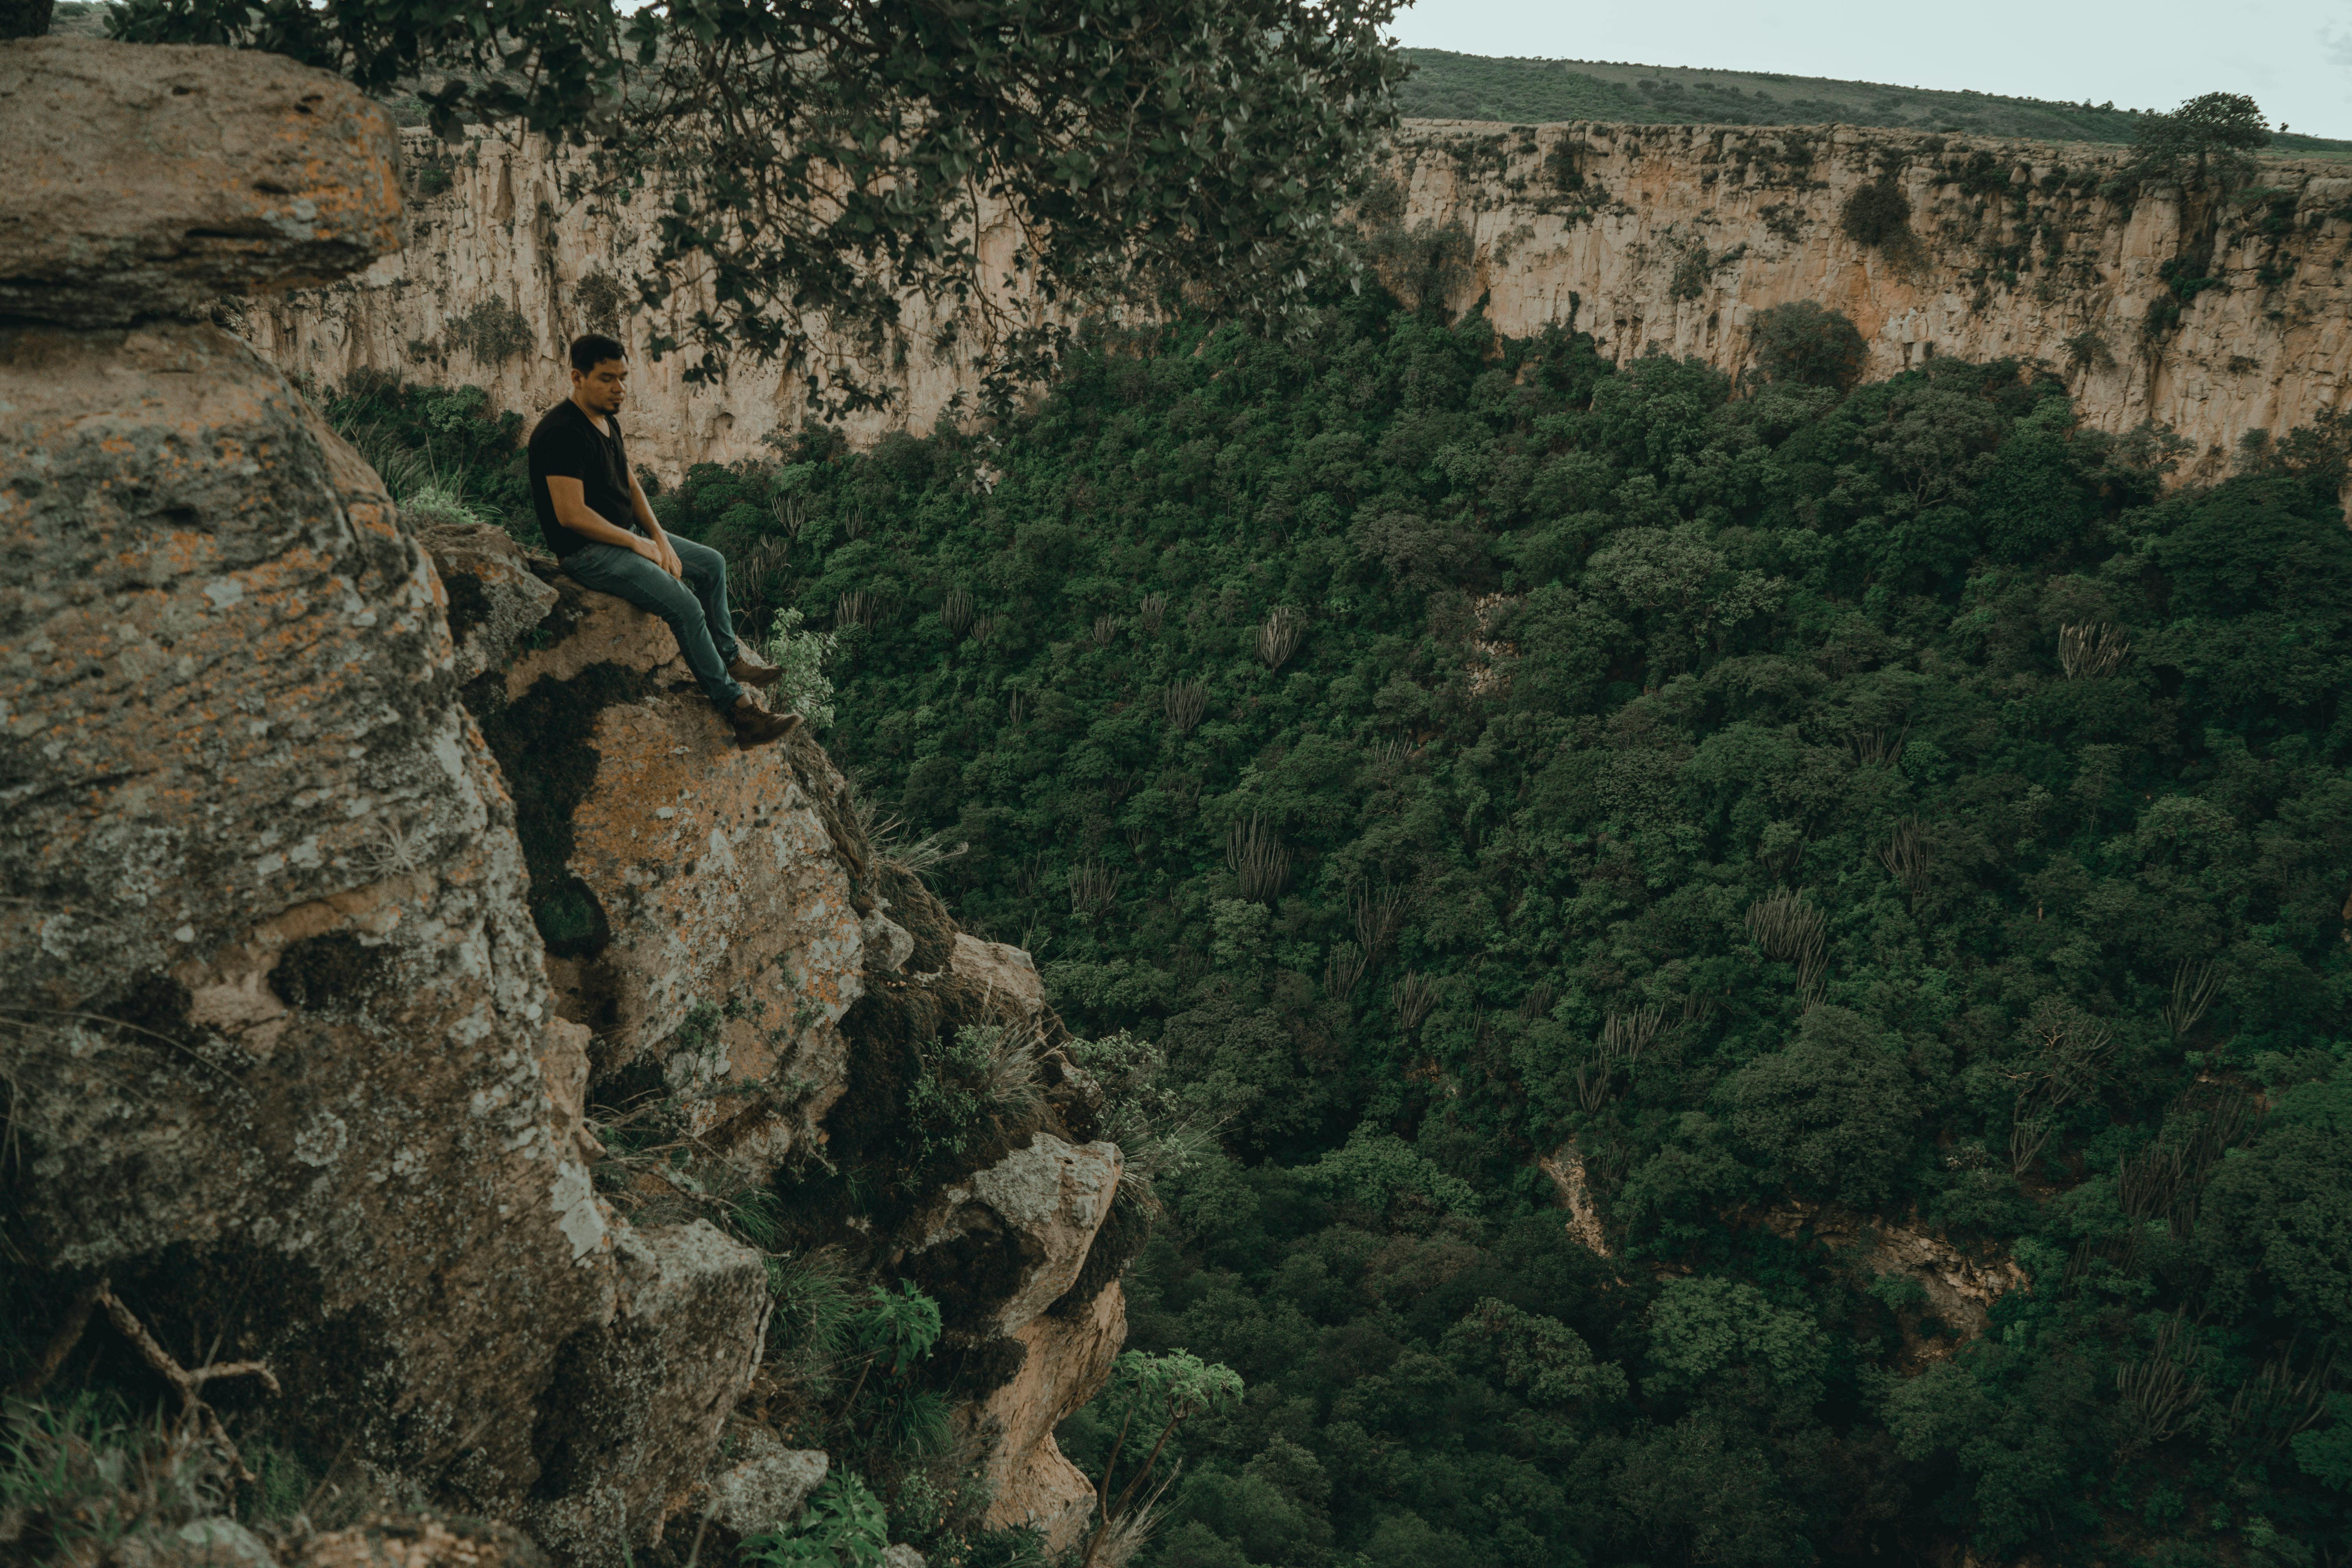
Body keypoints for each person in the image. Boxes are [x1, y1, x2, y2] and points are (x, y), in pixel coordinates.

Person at [526, 333, 799, 746]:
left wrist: (658, 537)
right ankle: (742, 715)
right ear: (577, 378)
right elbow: (571, 515)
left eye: (623, 377)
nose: (619, 388)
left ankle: (728, 658)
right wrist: (638, 546)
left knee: (711, 564)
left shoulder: (607, 420)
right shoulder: (561, 432)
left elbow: (630, 484)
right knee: (685, 606)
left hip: (627, 534)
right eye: (606, 379)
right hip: (588, 552)